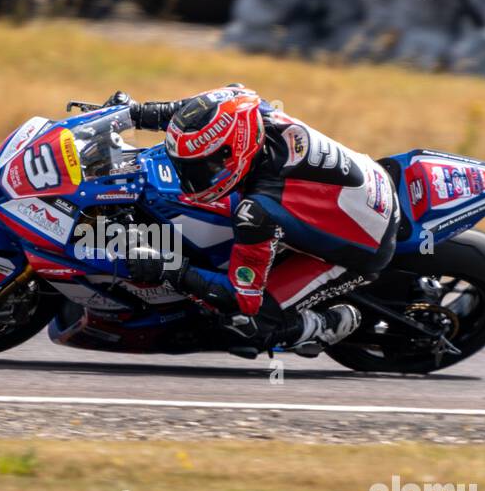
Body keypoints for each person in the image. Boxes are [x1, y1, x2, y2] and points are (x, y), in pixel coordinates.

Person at [104, 85, 400, 356]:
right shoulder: (249, 109)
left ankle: (323, 324)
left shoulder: (257, 211)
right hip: (360, 188)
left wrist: (169, 268)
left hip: (366, 245)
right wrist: (131, 114)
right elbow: (188, 113)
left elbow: (242, 297)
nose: (188, 178)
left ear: (234, 154)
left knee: (246, 325)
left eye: (202, 168)